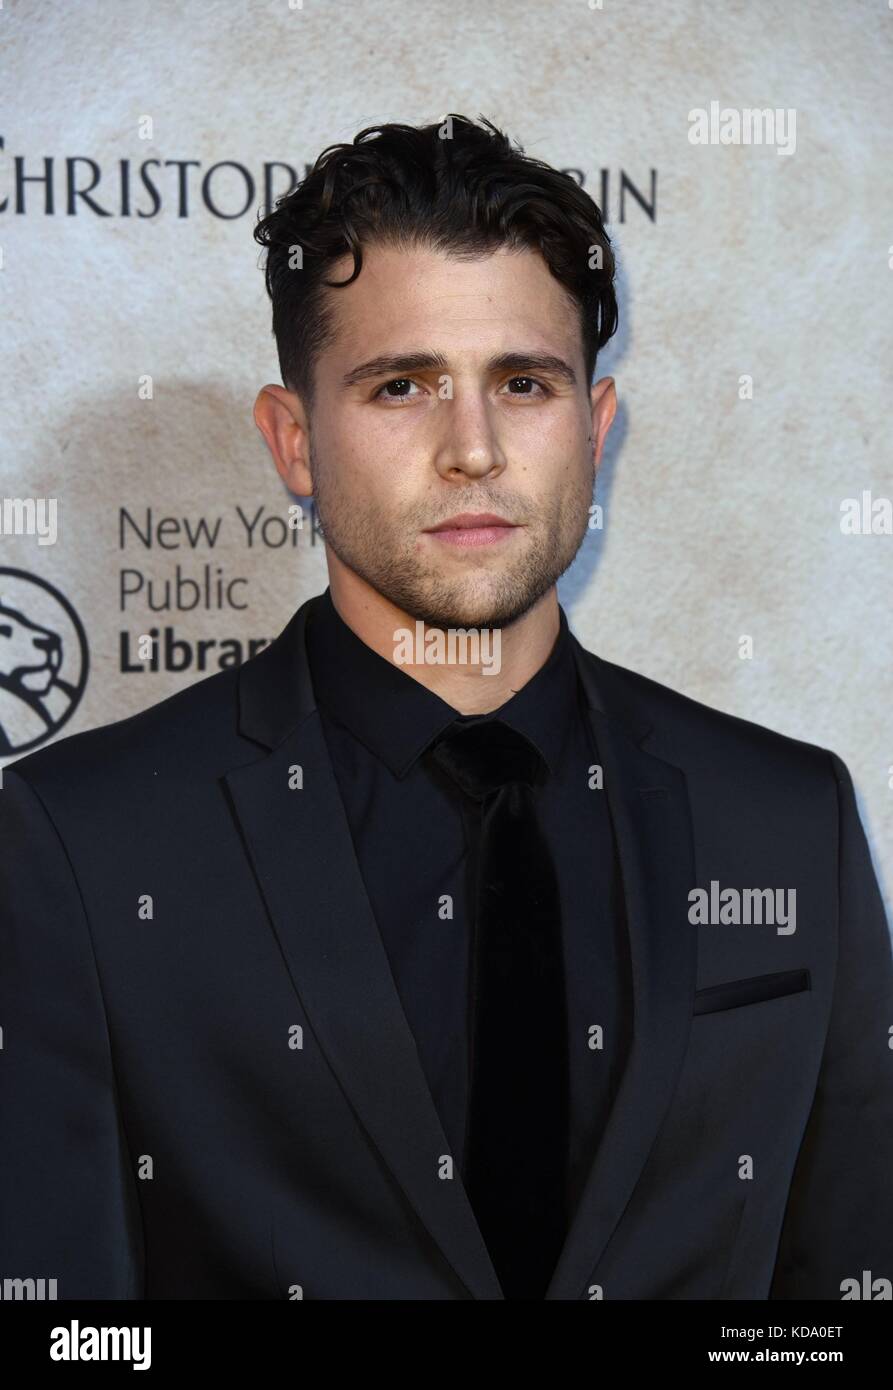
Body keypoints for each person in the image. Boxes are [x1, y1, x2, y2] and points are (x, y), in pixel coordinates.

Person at [1, 114, 891, 1301]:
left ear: (593, 427)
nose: (471, 449)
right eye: (401, 384)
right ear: (293, 441)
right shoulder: (85, 842)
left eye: (522, 383)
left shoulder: (786, 817)